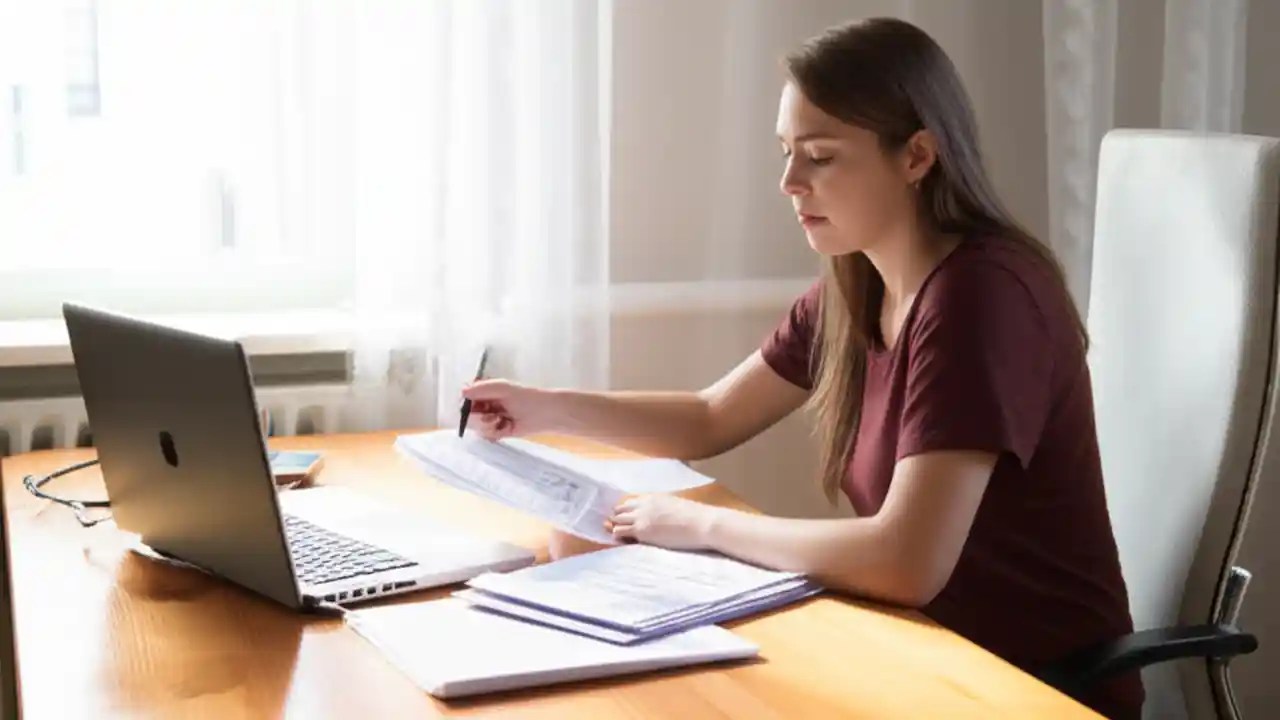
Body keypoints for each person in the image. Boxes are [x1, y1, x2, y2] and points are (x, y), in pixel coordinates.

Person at [461, 17, 1141, 719]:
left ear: (916, 156)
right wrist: (542, 407)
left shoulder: (982, 297)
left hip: (1027, 688)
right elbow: (710, 416)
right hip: (918, 653)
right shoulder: (858, 285)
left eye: (819, 156)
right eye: (787, 152)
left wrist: (703, 527)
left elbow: (905, 560)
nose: (789, 182)